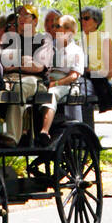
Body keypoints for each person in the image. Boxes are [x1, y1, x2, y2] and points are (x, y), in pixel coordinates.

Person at [0, 5, 53, 143]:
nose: (21, 18)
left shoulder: (43, 40)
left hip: (35, 81)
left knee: (20, 87)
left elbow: (38, 67)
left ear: (35, 20)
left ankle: (11, 136)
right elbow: (4, 64)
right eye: (19, 16)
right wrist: (23, 61)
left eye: (26, 15)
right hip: (9, 78)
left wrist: (15, 64)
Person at [39, 15, 83, 144]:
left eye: (58, 26)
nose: (55, 29)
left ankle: (44, 131)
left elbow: (74, 75)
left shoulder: (76, 51)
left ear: (68, 31)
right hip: (48, 80)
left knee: (51, 94)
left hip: (65, 83)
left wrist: (56, 83)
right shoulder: (52, 47)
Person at [80, 6, 112, 111]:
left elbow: (109, 73)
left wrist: (90, 71)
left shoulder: (104, 39)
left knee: (77, 89)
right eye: (80, 19)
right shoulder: (78, 40)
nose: (83, 21)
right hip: (78, 78)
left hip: (96, 81)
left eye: (86, 18)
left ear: (96, 22)